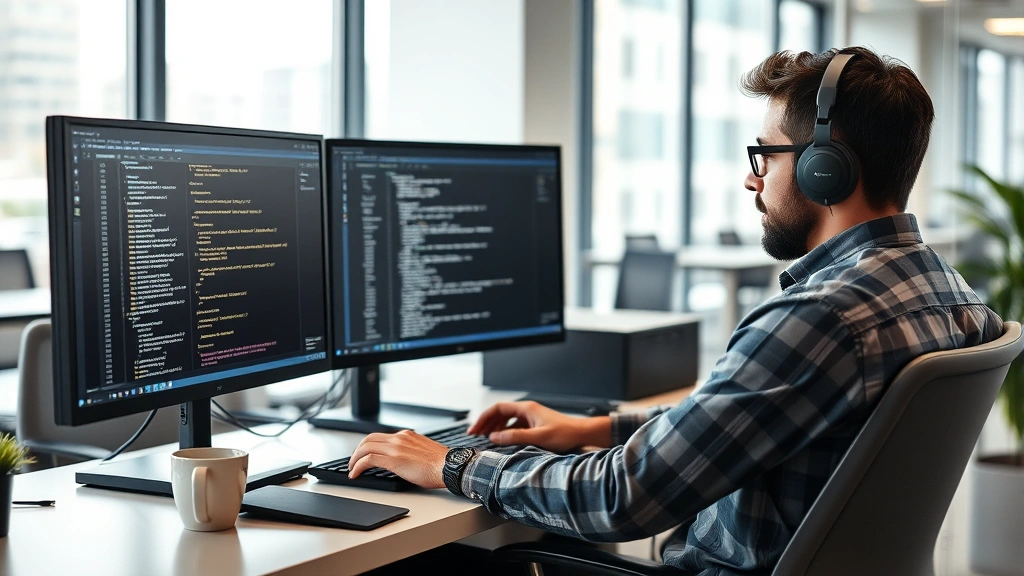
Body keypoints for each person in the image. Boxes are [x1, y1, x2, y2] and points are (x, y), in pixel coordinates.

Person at [350, 46, 1003, 575]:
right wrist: (593, 428)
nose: (752, 179)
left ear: (824, 169)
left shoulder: (823, 317)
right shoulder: (952, 295)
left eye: (763, 156)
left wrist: (453, 463)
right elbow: (746, 414)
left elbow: (623, 500)